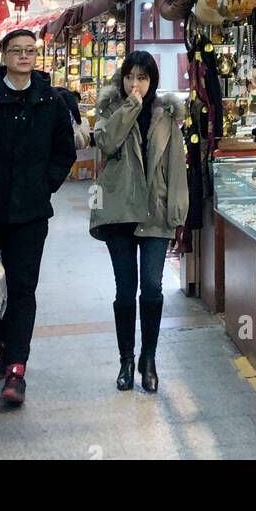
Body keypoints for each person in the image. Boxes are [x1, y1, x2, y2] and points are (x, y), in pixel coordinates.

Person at [0, 28, 77, 407]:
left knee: (22, 288)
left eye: (30, 51)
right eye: (17, 51)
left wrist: (46, 186)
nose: (24, 57)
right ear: (4, 56)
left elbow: (64, 150)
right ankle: (3, 347)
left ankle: (16, 369)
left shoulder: (50, 101)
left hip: (31, 214)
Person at [90, 51, 189, 394]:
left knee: (153, 288)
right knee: (124, 291)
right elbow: (106, 142)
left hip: (155, 213)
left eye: (143, 78)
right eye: (131, 76)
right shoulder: (110, 108)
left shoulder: (167, 115)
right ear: (123, 78)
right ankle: (125, 360)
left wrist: (178, 216)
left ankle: (149, 358)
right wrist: (131, 105)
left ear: (153, 81)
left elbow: (176, 167)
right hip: (119, 212)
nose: (136, 84)